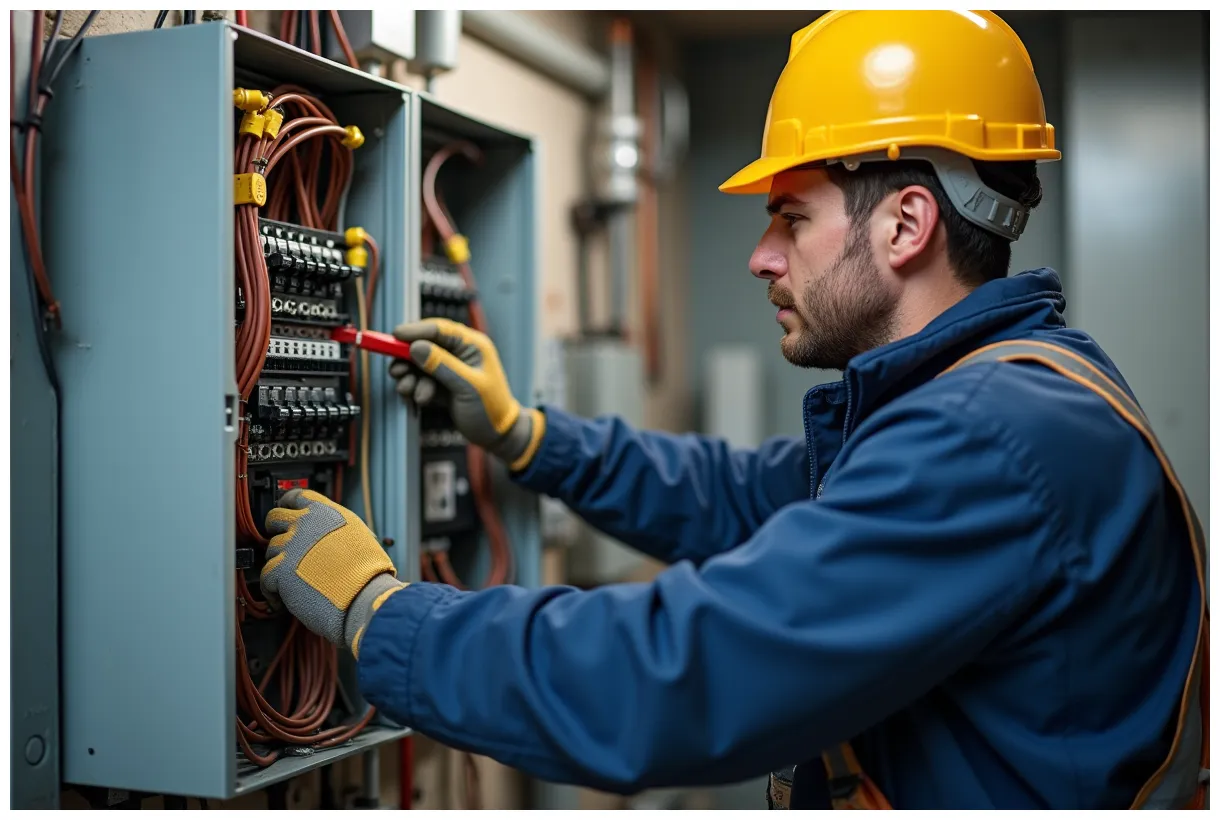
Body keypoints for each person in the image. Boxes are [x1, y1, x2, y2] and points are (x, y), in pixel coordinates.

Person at [259, 10, 1208, 810]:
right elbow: (734, 495)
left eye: (790, 216)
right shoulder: (981, 397)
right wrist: (526, 433)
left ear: (907, 225)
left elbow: (679, 677)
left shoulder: (994, 435)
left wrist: (382, 615)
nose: (760, 255)